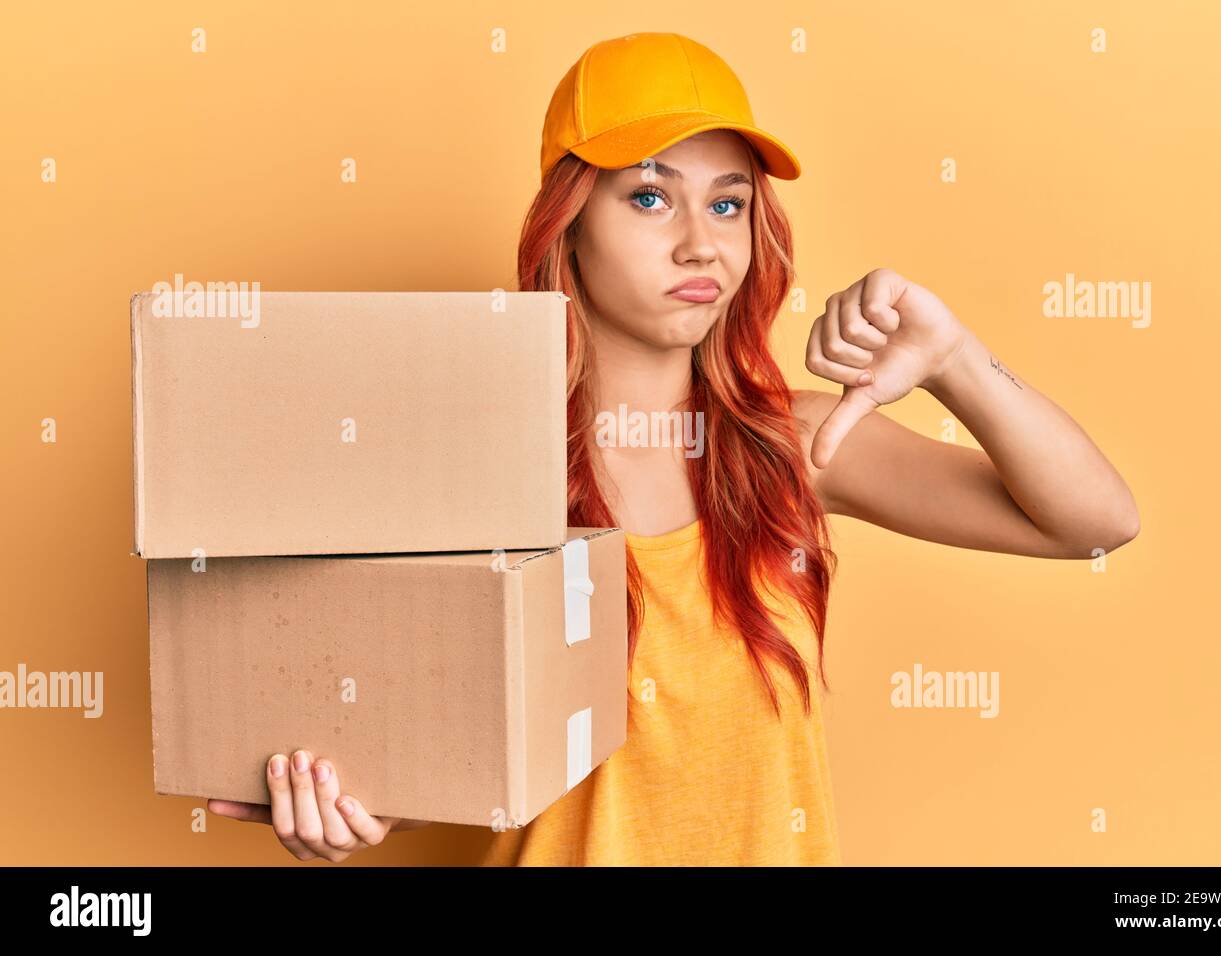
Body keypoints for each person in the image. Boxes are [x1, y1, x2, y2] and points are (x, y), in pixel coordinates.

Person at [209, 31, 1139, 865]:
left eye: (728, 206)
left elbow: (1096, 524)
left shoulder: (801, 446)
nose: (702, 245)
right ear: (566, 226)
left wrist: (957, 360)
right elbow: (437, 751)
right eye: (651, 197)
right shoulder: (477, 473)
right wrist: (348, 807)